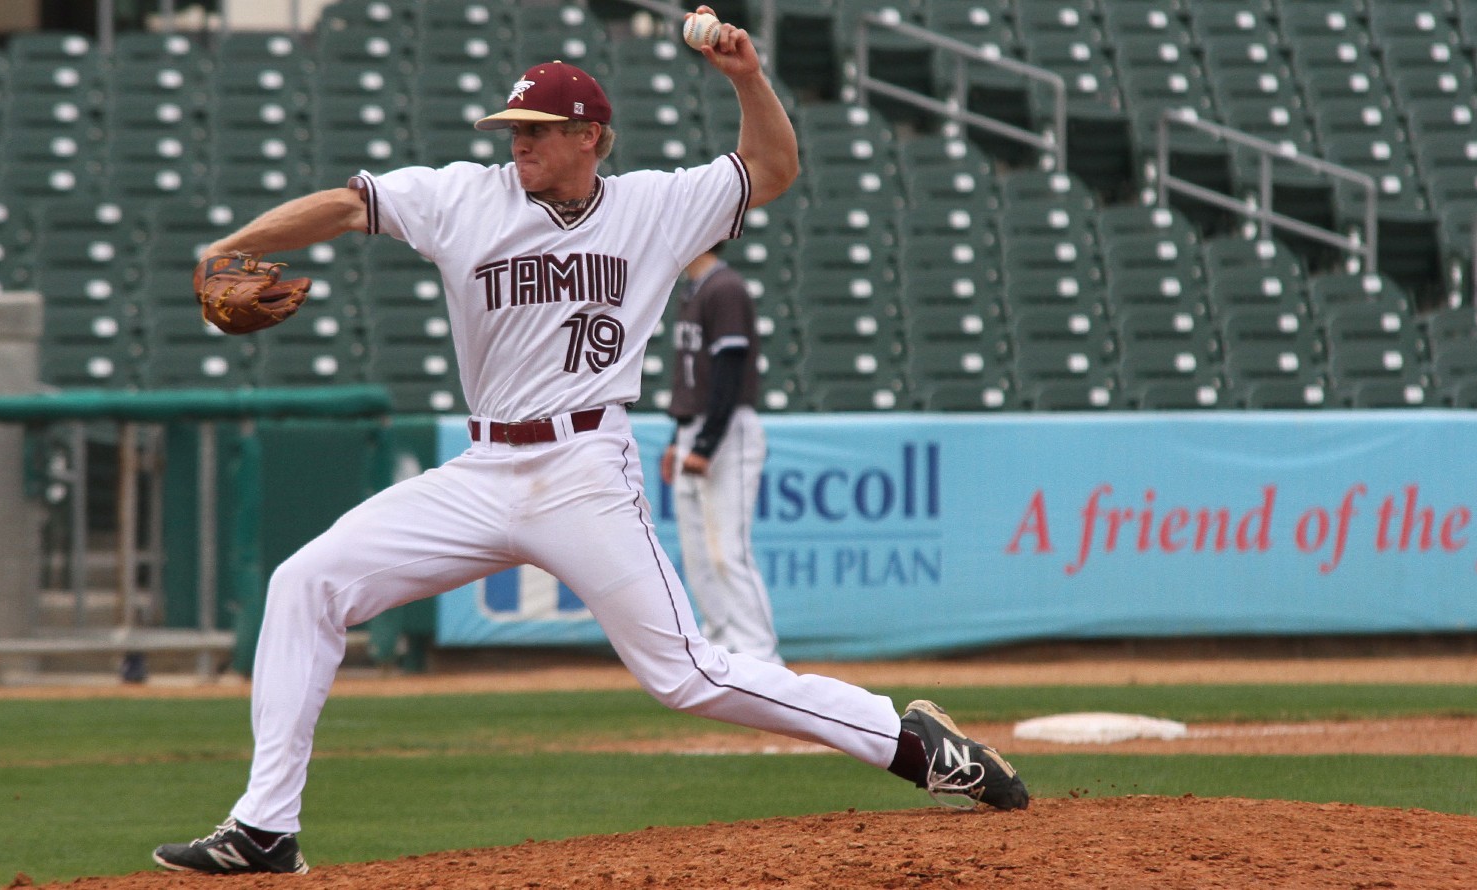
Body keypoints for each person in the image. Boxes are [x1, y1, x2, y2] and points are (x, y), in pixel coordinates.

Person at [153, 8, 1028, 876]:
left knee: (689, 676)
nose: (517, 142)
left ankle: (913, 747)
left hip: (581, 470)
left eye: (535, 130)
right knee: (306, 581)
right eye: (511, 128)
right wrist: (230, 246)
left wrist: (747, 81)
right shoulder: (465, 197)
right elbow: (348, 206)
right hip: (483, 468)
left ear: (590, 137)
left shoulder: (654, 208)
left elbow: (773, 167)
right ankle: (266, 829)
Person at [661, 244, 781, 664]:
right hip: (697, 426)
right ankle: (723, 645)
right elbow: (694, 375)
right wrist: (681, 438)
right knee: (697, 552)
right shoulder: (693, 288)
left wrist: (707, 442)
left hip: (727, 427)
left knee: (727, 549)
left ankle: (762, 655)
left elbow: (730, 369)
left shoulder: (725, 288)